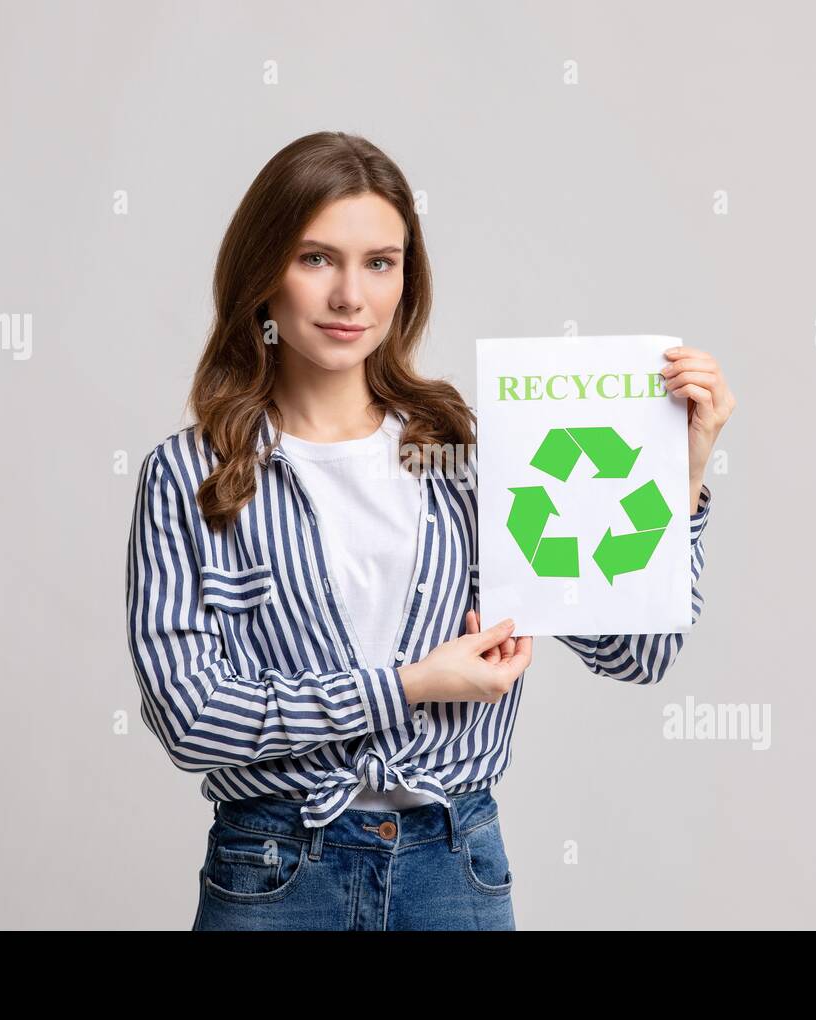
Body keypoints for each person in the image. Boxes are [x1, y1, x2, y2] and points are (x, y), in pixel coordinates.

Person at [125, 131, 734, 931]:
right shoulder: (192, 475)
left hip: (453, 871)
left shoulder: (470, 455)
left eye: (380, 262)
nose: (351, 296)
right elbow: (190, 717)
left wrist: (680, 477)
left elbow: (639, 651)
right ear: (262, 273)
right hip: (274, 874)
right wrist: (410, 685)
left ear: (407, 279)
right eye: (316, 259)